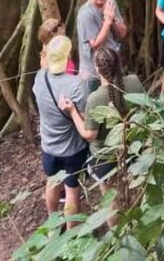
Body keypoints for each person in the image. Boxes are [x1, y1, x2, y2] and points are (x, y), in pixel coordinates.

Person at [60, 47, 144, 226]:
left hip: (106, 159)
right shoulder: (134, 82)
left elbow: (90, 135)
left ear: (97, 69)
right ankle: (138, 226)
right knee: (135, 192)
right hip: (133, 150)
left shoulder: (95, 98)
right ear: (119, 63)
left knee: (112, 202)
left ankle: (118, 236)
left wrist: (72, 111)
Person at [33, 35, 89, 228]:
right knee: (71, 189)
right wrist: (82, 83)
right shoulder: (77, 85)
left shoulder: (39, 78)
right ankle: (72, 234)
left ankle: (53, 225)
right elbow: (84, 120)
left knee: (52, 182)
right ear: (68, 56)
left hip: (49, 146)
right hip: (72, 149)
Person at [77, 0, 127, 92]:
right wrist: (107, 21)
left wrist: (113, 19)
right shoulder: (85, 14)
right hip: (94, 73)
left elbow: (123, 33)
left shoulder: (111, 3)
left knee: (116, 100)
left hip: (113, 66)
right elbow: (95, 45)